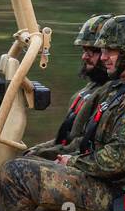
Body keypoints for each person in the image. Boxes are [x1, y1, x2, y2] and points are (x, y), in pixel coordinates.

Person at [0, 14, 125, 211]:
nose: (104, 57)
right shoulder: (123, 89)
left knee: (17, 174)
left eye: (110, 51)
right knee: (21, 162)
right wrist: (54, 156)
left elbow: (116, 160)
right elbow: (86, 140)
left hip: (115, 191)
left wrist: (72, 162)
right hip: (99, 180)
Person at [23, 12, 112, 160]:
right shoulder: (90, 89)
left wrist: (42, 154)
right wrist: (37, 150)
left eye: (92, 52)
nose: (84, 57)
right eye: (84, 51)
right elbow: (66, 139)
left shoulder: (110, 95)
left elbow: (84, 143)